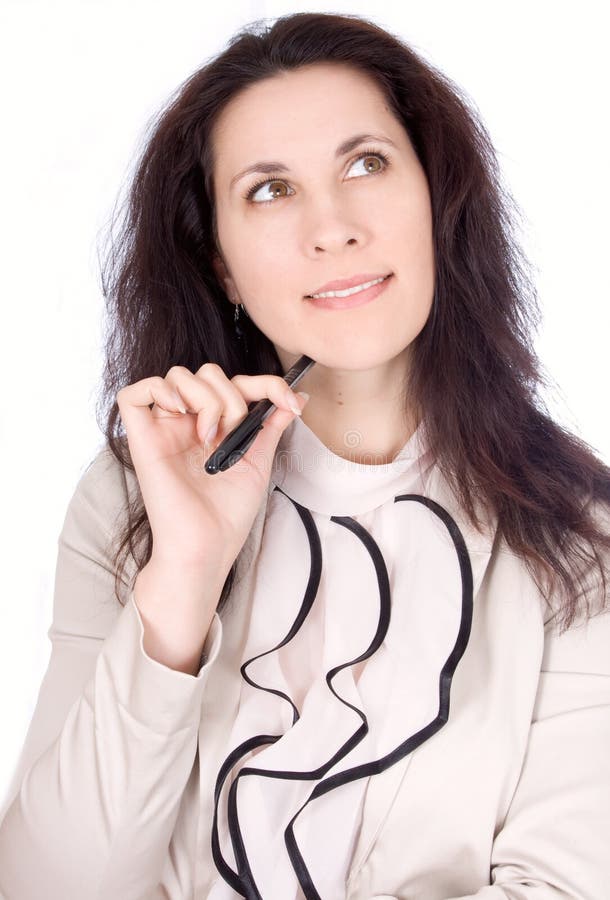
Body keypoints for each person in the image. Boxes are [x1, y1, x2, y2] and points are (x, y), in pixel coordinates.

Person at [0, 11, 608, 899]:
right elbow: (43, 886)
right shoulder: (133, 497)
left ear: (437, 201)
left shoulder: (576, 531)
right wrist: (184, 581)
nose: (333, 228)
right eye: (270, 190)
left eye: (366, 164)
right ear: (223, 266)